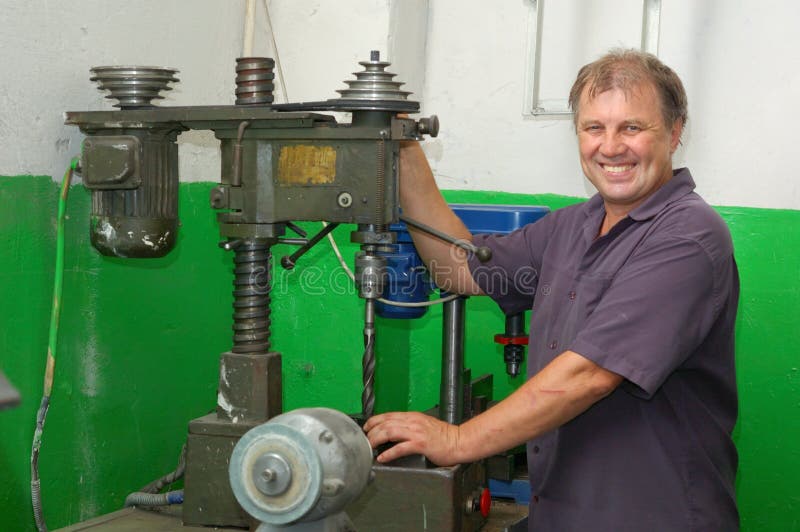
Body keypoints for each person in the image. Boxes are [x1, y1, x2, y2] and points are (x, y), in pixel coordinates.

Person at [364, 49, 739, 531]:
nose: (610, 147)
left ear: (674, 131)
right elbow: (458, 269)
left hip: (651, 515)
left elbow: (590, 374)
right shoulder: (572, 226)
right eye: (594, 128)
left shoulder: (688, 237)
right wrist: (404, 149)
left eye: (632, 127)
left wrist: (457, 442)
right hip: (562, 512)